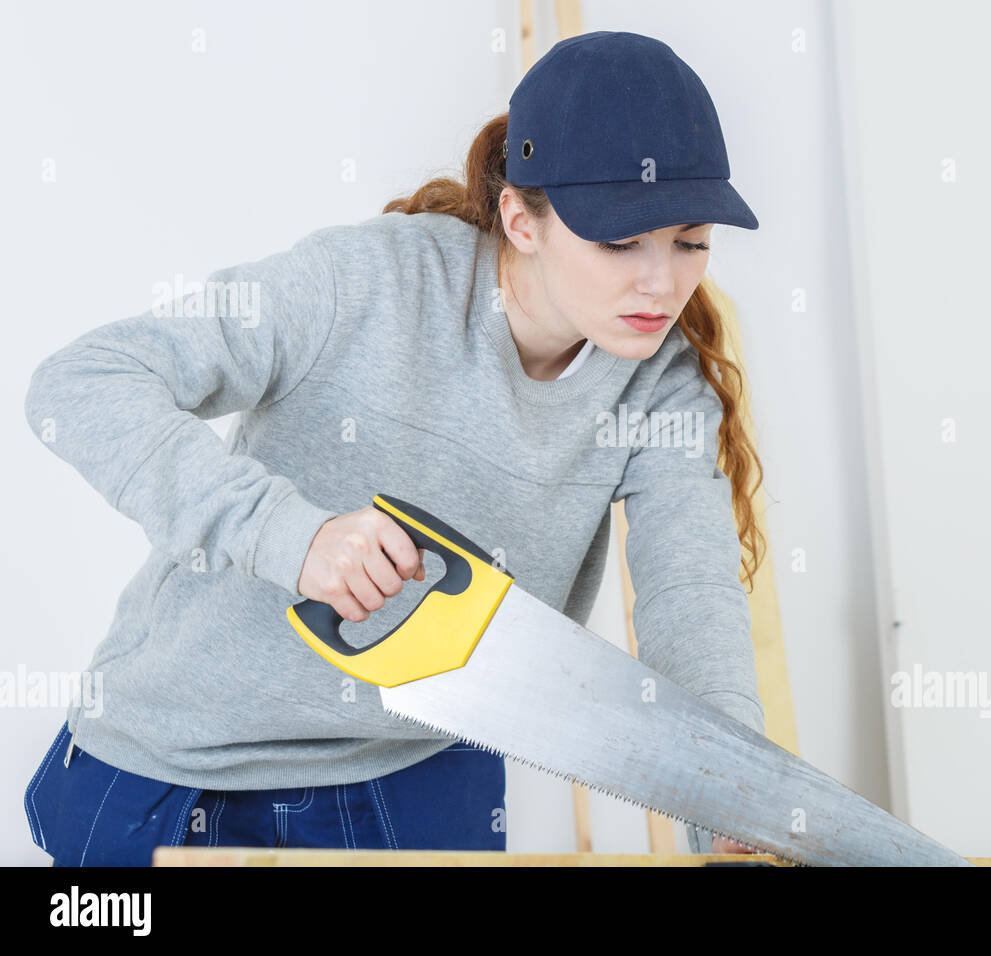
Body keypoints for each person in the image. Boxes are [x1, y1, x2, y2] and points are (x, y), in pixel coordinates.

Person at [22, 30, 767, 865]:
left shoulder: (663, 386)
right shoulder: (361, 284)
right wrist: (290, 535)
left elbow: (689, 599)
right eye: (620, 242)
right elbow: (81, 383)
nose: (661, 283)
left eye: (691, 239)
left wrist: (736, 806)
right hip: (184, 759)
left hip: (417, 770)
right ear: (523, 219)